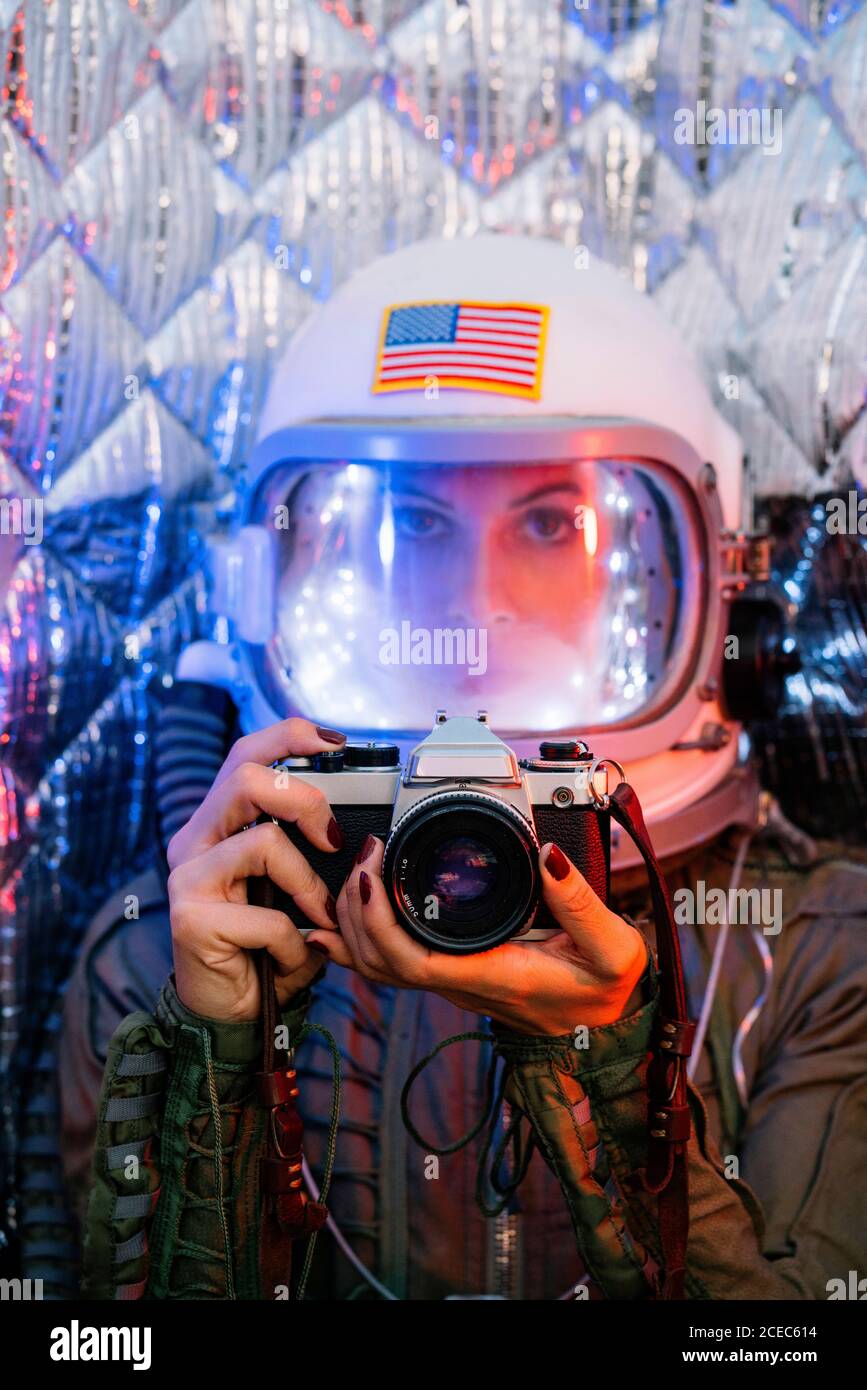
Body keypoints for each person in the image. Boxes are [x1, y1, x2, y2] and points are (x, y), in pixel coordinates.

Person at [60, 237, 867, 1300]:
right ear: (274, 584)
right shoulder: (168, 959)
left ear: (716, 597)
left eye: (549, 524)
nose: (475, 601)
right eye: (416, 521)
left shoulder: (812, 951)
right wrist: (215, 1066)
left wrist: (612, 1079)